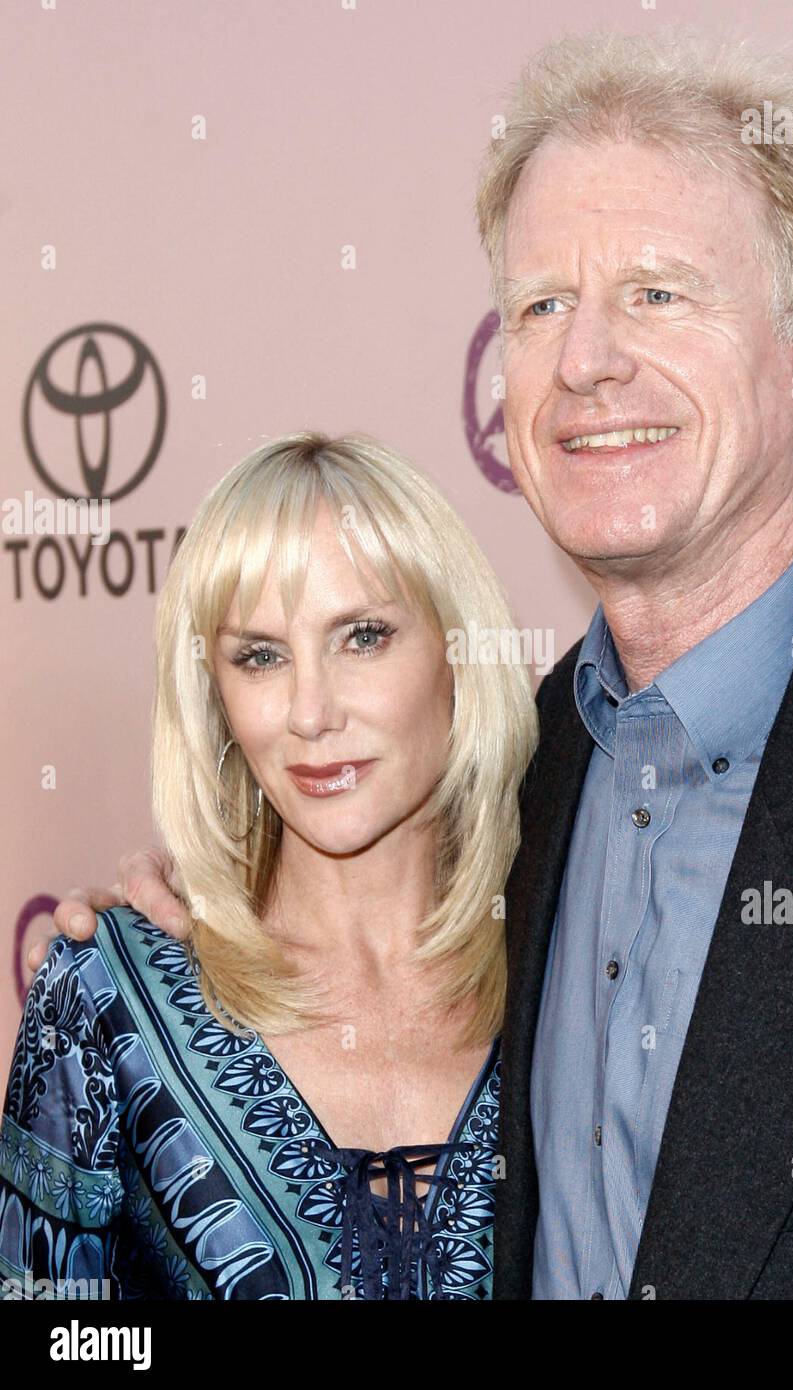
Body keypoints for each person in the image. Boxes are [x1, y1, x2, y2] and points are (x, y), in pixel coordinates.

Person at [37, 29, 793, 1299]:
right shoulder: (526, 790)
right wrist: (185, 925)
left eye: (658, 292)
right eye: (543, 304)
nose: (586, 360)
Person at [1, 432, 538, 1300]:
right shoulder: (102, 995)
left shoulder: (570, 968)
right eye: (260, 656)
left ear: (458, 654)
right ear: (215, 696)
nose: (310, 712)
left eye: (363, 636)